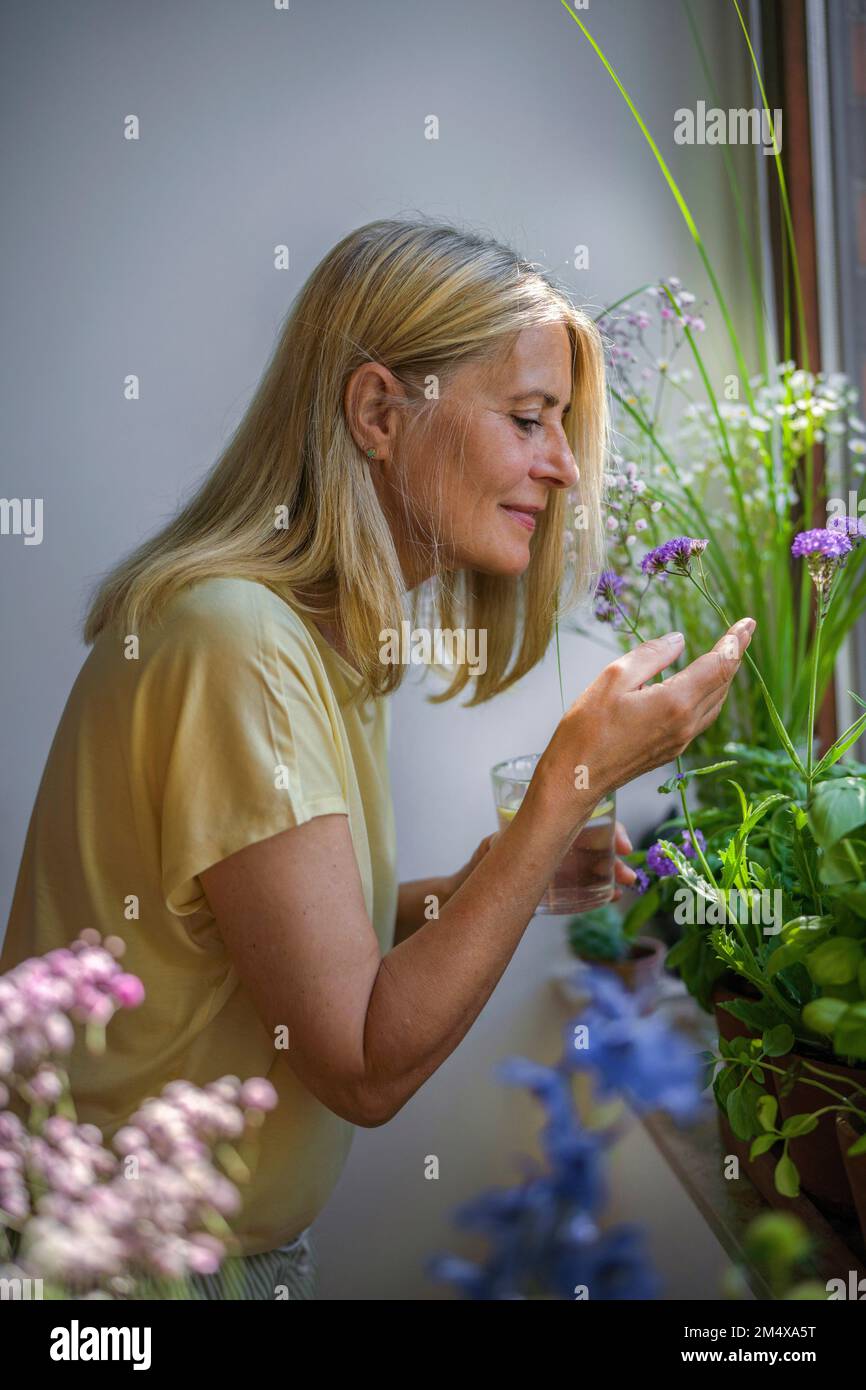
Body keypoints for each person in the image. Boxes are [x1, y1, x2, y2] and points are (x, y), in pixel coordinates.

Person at [0, 217, 755, 1299]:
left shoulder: (298, 641)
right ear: (377, 411)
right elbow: (360, 1060)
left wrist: (489, 882)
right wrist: (570, 784)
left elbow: (253, 938)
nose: (560, 471)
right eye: (530, 419)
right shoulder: (238, 647)